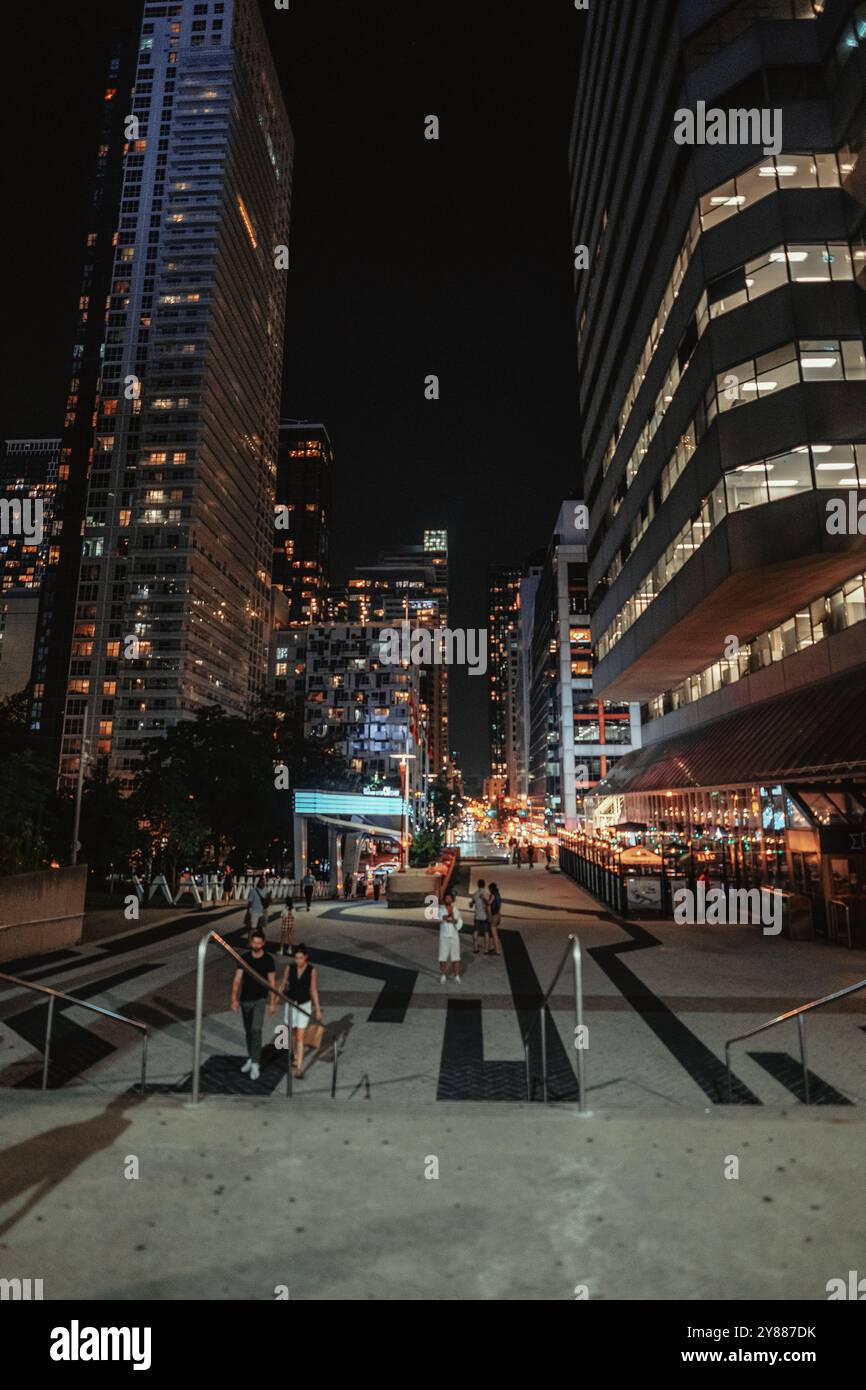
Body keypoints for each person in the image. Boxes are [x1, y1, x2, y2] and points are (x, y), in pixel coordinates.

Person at [230, 928, 278, 1082]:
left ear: (263, 943)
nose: (256, 945)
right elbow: (237, 980)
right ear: (251, 943)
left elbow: (271, 983)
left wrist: (272, 1003)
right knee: (248, 1032)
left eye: (259, 943)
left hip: (260, 999)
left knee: (256, 1029)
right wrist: (234, 999)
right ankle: (251, 1058)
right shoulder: (244, 958)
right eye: (254, 942)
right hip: (245, 999)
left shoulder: (268, 960)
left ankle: (256, 1064)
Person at [279, 944, 322, 1078]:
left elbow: (313, 989)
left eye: (300, 958)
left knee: (300, 1035)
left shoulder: (311, 970)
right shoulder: (289, 968)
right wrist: (274, 1002)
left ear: (306, 957)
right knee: (292, 1033)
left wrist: (318, 1009)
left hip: (304, 1005)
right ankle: (296, 1054)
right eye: (296, 958)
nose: (298, 961)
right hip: (291, 1004)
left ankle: (298, 1067)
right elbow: (282, 984)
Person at [437, 892, 463, 983]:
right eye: (446, 898)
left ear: (452, 900)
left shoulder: (456, 910)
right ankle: (443, 975)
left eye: (449, 898)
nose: (448, 899)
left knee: (456, 957)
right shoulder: (441, 909)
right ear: (444, 900)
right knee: (442, 957)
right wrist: (450, 918)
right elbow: (441, 918)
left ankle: (456, 976)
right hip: (444, 936)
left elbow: (458, 921)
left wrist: (452, 918)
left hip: (454, 936)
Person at [469, 877, 491, 955]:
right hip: (484, 916)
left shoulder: (475, 894)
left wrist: (471, 903)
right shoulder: (486, 893)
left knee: (475, 931)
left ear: (478, 885)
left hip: (477, 916)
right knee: (486, 932)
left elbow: (471, 905)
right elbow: (489, 904)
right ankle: (486, 949)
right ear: (484, 885)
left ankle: (475, 948)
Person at [488, 881, 503, 957]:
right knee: (494, 932)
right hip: (498, 915)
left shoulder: (493, 895)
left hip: (494, 915)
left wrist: (485, 899)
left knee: (494, 934)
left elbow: (489, 903)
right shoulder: (498, 895)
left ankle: (497, 950)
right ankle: (495, 948)